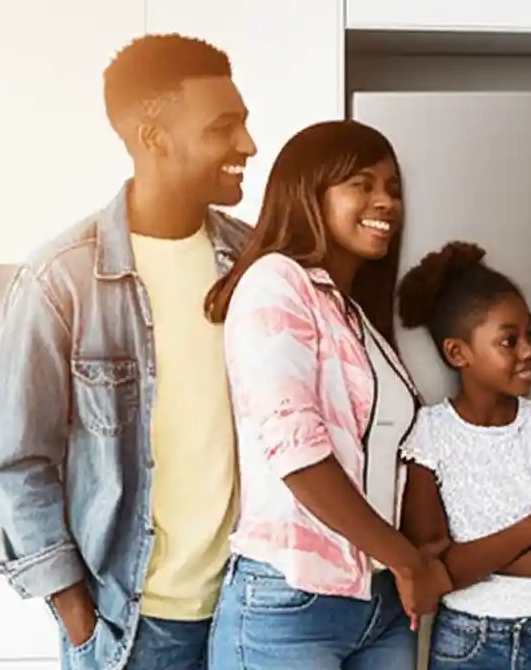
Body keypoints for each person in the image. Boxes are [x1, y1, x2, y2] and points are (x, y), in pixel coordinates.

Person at [0, 33, 258, 670]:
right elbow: (20, 464)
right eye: (225, 127)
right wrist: (79, 618)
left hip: (250, 612)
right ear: (153, 136)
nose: (247, 145)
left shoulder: (254, 263)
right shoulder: (63, 278)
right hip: (131, 629)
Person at [203, 119, 453, 669]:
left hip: (380, 603)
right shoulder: (276, 281)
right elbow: (298, 453)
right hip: (291, 604)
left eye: (392, 188)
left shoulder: (353, 313)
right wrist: (408, 562)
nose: (385, 201)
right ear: (309, 193)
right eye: (361, 184)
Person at [395, 240, 531, 670]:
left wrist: (466, 560)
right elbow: (431, 563)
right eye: (509, 340)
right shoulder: (430, 433)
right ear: (457, 352)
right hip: (466, 644)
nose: (530, 350)